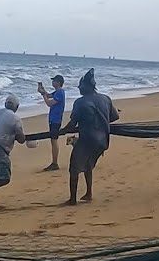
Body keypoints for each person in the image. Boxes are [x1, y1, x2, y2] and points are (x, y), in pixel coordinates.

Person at [63, 69, 119, 206]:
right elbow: (115, 116)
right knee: (88, 165)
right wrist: (101, 123)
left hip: (88, 140)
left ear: (86, 87)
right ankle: (88, 193)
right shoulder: (105, 98)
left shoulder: (80, 102)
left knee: (74, 168)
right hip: (103, 141)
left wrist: (63, 130)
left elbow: (72, 124)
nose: (79, 88)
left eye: (80, 86)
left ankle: (72, 199)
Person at [0, 94, 27, 200]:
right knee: (4, 178)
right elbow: (21, 139)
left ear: (5, 104)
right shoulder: (16, 119)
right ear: (17, 107)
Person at [38, 75, 66, 171]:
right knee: (53, 140)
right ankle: (54, 162)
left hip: (56, 120)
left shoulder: (60, 93)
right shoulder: (58, 92)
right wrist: (43, 91)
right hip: (54, 119)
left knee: (54, 141)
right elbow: (49, 95)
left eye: (54, 80)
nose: (52, 82)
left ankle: (55, 163)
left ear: (58, 82)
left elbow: (49, 103)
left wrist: (43, 95)